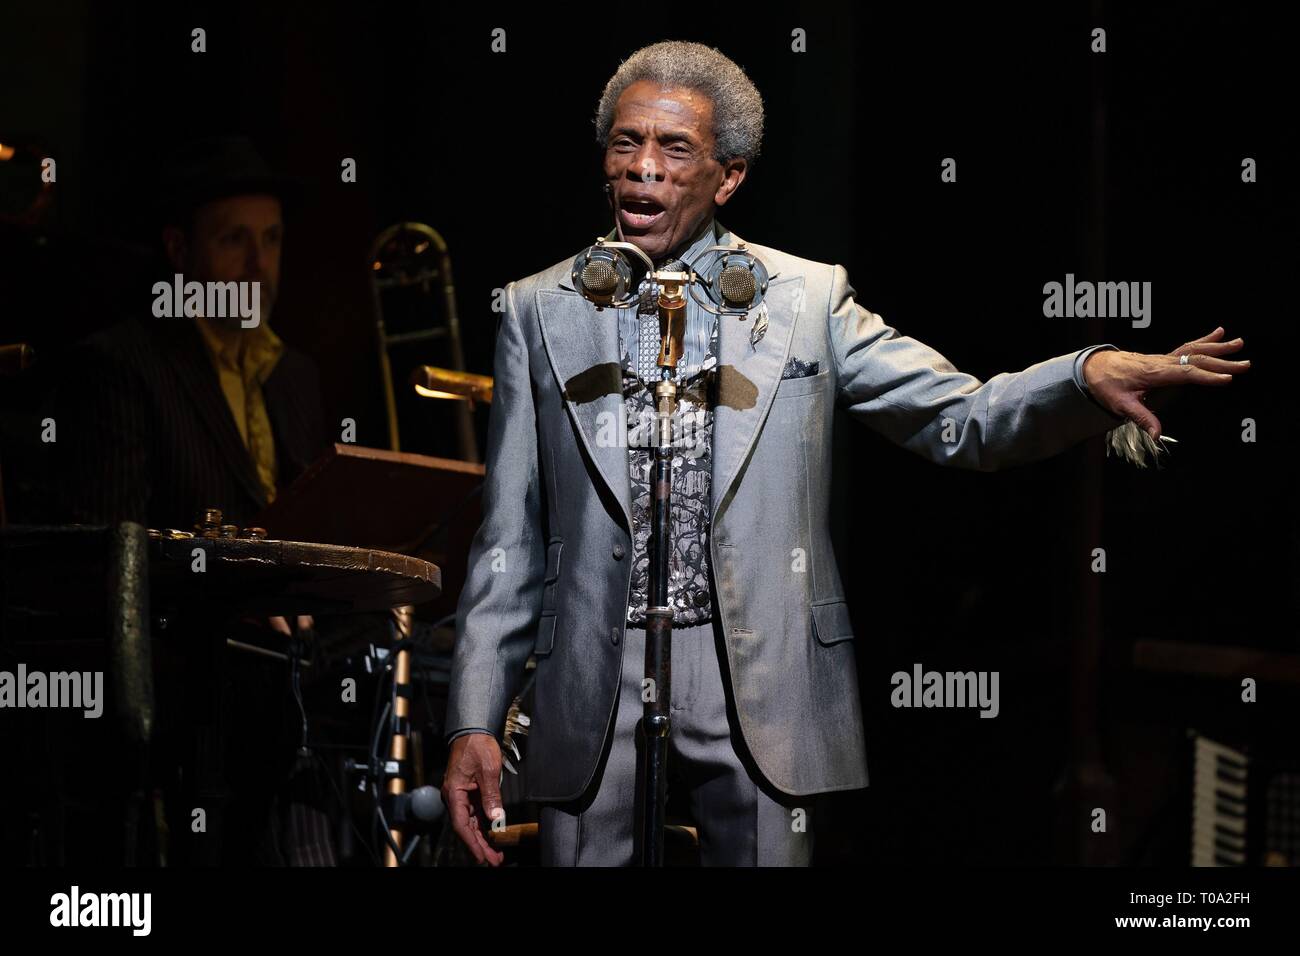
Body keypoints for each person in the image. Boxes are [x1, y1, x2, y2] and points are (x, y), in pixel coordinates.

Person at [441, 41, 1250, 866]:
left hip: (761, 679)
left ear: (729, 176)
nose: (642, 168)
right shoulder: (540, 309)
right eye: (626, 142)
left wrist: (1081, 376)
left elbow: (958, 417)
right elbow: (508, 536)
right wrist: (475, 716)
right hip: (589, 679)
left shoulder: (807, 299)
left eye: (674, 148)